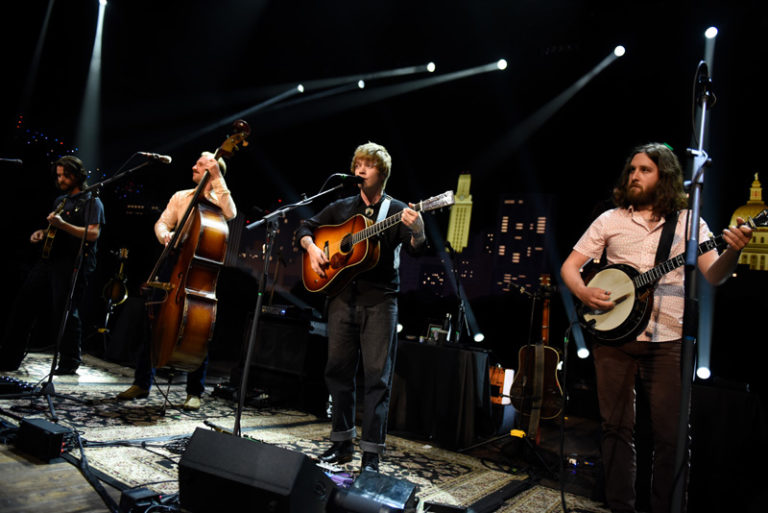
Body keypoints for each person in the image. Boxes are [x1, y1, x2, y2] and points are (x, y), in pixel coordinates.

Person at [560, 142, 752, 513]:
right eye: (632, 169)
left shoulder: (689, 222)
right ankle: (620, 507)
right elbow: (570, 266)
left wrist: (734, 250)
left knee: (671, 437)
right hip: (613, 339)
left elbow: (714, 276)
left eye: (644, 170)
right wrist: (584, 292)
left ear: (664, 176)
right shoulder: (609, 220)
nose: (634, 175)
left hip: (668, 341)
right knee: (616, 430)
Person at [296, 142, 426, 473]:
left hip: (380, 301)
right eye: (357, 164)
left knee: (376, 378)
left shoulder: (395, 210)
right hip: (340, 298)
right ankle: (340, 444)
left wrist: (418, 234)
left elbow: (414, 251)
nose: (360, 169)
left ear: (381, 173)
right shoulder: (340, 208)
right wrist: (311, 248)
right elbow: (305, 227)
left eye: (368, 165)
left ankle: (371, 454)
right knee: (337, 371)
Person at [117, 151, 236, 410]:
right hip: (173, 262)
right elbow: (162, 223)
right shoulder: (181, 196)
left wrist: (217, 178)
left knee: (198, 328)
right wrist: (166, 235)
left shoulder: (219, 200)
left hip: (198, 270)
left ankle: (194, 391)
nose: (193, 166)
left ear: (212, 170)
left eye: (200, 164)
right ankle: (141, 382)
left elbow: (232, 213)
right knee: (152, 319)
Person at [0, 155, 105, 374]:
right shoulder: (61, 201)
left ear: (76, 175)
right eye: (58, 175)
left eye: (65, 175)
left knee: (65, 311)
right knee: (24, 304)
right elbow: (54, 230)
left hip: (73, 262)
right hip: (50, 260)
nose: (61, 180)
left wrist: (63, 224)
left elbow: (93, 233)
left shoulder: (92, 201)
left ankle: (69, 361)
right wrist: (42, 233)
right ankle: (9, 357)